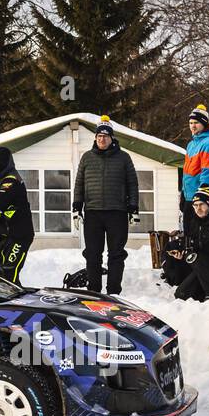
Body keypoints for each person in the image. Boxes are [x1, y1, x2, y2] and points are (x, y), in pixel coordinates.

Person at [72, 116, 139, 295]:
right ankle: (94, 291)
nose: (102, 139)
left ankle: (114, 292)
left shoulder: (124, 158)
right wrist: (77, 207)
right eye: (99, 136)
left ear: (111, 138)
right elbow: (79, 184)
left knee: (116, 254)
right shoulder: (87, 158)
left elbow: (132, 184)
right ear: (95, 138)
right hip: (93, 213)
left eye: (105, 136)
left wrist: (133, 208)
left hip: (117, 213)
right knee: (92, 254)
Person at [0, 147, 34, 284]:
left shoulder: (11, 181)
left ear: (1, 164)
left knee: (9, 273)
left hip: (18, 236)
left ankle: (16, 297)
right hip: (3, 235)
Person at [182, 104, 209, 212]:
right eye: (191, 123)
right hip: (190, 197)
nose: (193, 126)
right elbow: (187, 172)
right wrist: (184, 193)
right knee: (188, 224)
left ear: (204, 124)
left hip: (203, 199)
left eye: (196, 123)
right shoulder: (191, 144)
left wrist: (203, 192)